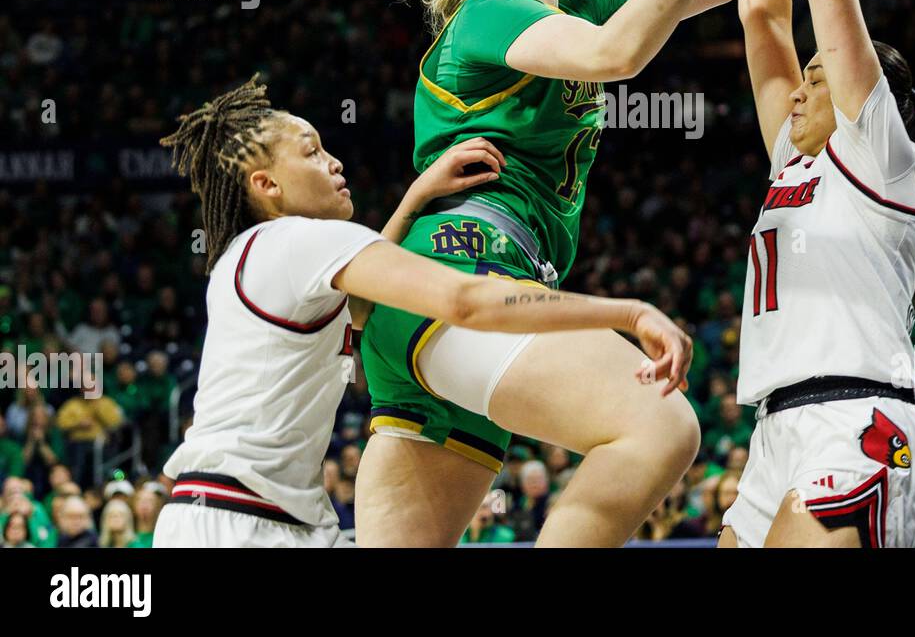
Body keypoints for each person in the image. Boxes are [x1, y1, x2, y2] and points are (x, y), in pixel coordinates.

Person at [358, 0, 915, 547]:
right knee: (661, 430)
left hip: (428, 313)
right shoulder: (487, 14)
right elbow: (617, 56)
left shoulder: (580, 6)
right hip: (467, 269)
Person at [151, 77, 688, 548]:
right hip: (233, 522)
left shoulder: (266, 255)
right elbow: (464, 300)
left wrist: (419, 194)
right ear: (267, 185)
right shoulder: (296, 242)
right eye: (311, 152)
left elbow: (362, 303)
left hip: (276, 519)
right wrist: (626, 313)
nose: (334, 161)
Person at [719, 0, 915, 547]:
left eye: (820, 76)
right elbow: (763, 16)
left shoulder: (878, 156)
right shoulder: (793, 158)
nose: (802, 88)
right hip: (777, 428)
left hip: (857, 413)